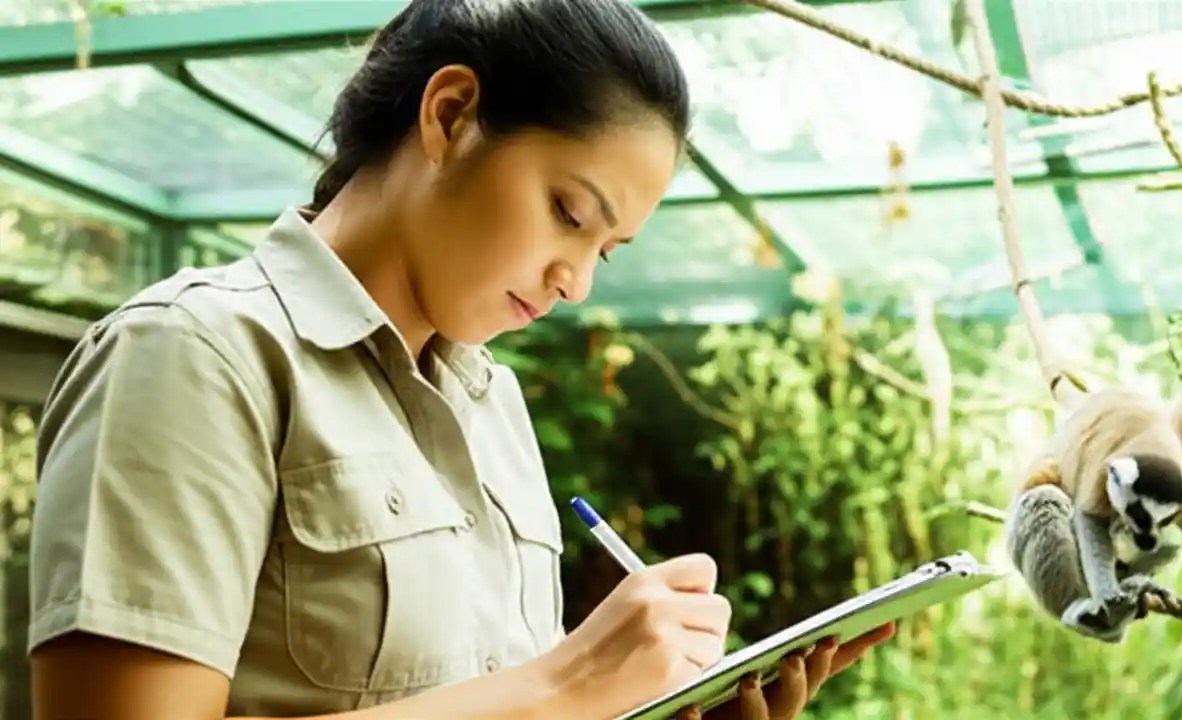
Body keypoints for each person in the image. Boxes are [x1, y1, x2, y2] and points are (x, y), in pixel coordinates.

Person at [26, 1, 894, 718]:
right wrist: (564, 684)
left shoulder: (494, 406)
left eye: (609, 250)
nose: (577, 281)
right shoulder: (196, 356)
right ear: (450, 115)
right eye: (568, 211)